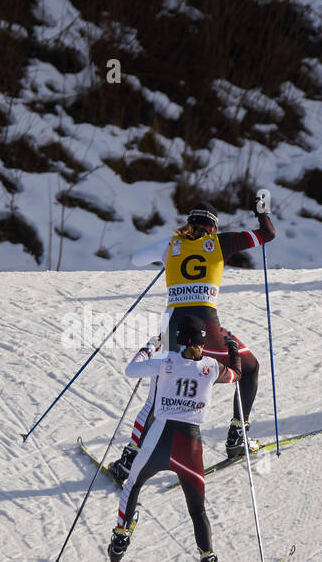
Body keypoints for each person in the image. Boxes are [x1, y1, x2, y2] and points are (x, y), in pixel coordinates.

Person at [110, 201, 275, 485]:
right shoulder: (220, 242)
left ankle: (129, 460)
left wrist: (167, 256)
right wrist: (262, 212)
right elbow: (267, 234)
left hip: (171, 325)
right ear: (213, 226)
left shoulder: (171, 245)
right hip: (206, 328)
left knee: (158, 393)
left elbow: (136, 259)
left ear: (189, 223)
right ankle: (238, 434)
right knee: (248, 367)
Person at [110, 315, 243, 562]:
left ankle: (122, 539)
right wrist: (232, 348)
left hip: (161, 439)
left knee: (143, 488)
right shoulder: (211, 367)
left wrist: (149, 347)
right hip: (187, 446)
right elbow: (236, 375)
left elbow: (131, 370)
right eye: (201, 345)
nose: (203, 350)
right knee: (186, 505)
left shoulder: (165, 362)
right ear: (193, 343)